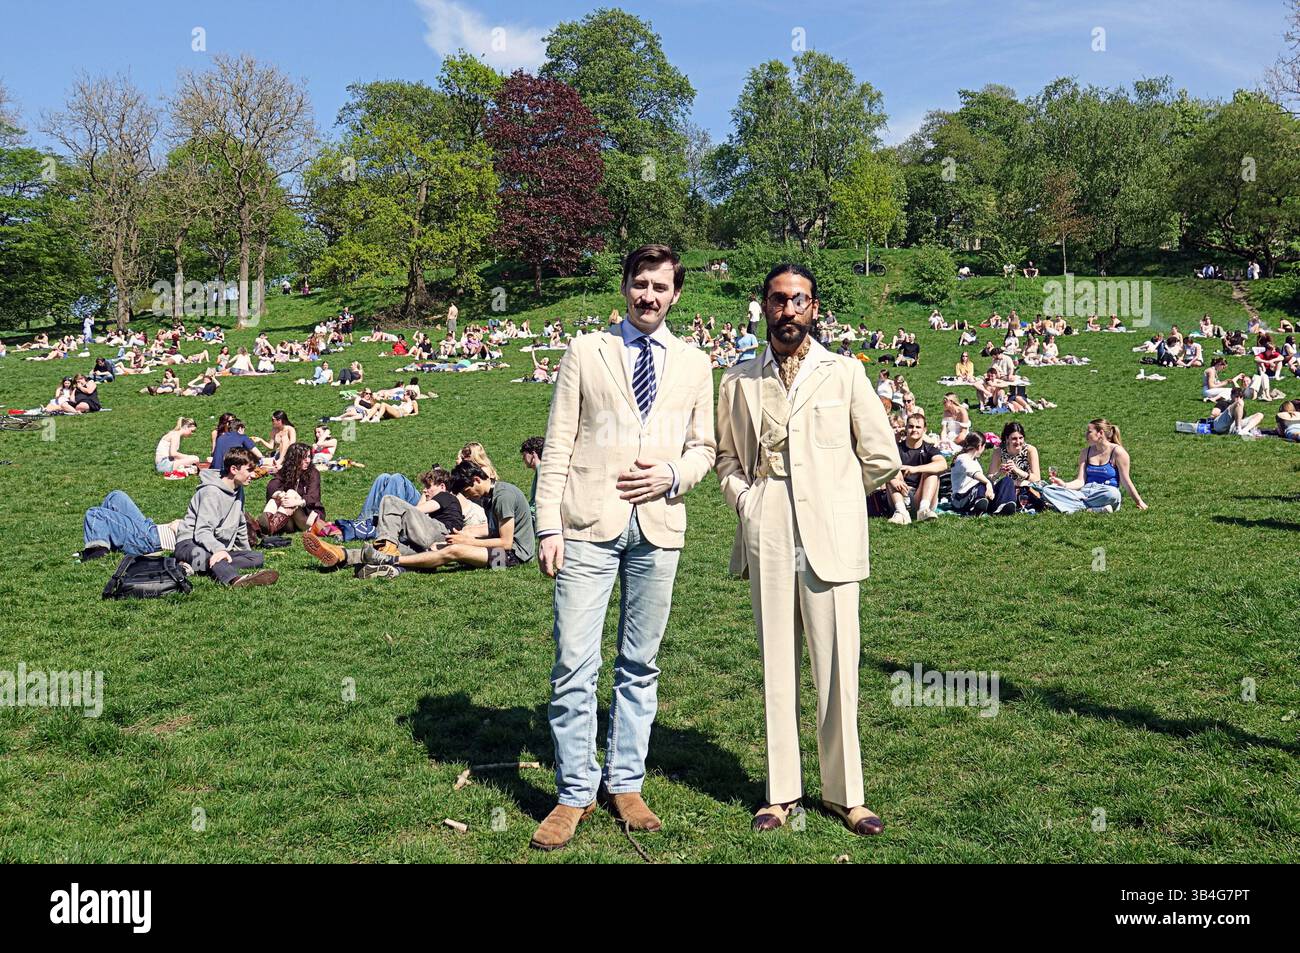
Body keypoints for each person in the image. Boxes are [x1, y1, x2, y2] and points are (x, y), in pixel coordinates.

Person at [528, 244, 717, 851]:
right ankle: (574, 792)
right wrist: (548, 526)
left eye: (660, 287)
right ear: (625, 286)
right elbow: (557, 443)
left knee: (640, 664)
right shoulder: (586, 351)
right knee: (573, 663)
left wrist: (672, 475)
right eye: (640, 283)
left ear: (676, 295)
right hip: (586, 525)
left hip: (658, 529)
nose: (648, 296)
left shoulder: (695, 363)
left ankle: (626, 783)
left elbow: (704, 448)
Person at [715, 261, 900, 836]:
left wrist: (838, 497)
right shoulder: (737, 380)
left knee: (837, 664)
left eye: (799, 300)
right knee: (776, 662)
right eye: (778, 299)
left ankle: (847, 795)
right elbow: (726, 458)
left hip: (830, 532)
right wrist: (747, 501)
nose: (788, 309)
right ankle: (781, 793)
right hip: (766, 522)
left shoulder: (844, 372)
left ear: (814, 308)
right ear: (764, 306)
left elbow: (882, 456)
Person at [358, 460, 533, 576]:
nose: (467, 496)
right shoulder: (491, 496)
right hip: (504, 552)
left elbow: (506, 543)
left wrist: (467, 542)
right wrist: (467, 534)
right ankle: (380, 562)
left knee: (454, 551)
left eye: (467, 491)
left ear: (477, 479)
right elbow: (496, 531)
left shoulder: (503, 497)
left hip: (513, 558)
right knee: (439, 547)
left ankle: (391, 560)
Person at [173, 447, 279, 587]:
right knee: (206, 556)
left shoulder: (238, 489)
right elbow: (202, 532)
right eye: (249, 470)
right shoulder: (211, 492)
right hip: (190, 543)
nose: (253, 475)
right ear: (234, 469)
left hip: (213, 545)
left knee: (256, 558)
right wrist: (219, 550)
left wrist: (244, 551)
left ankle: (198, 566)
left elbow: (240, 524)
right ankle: (235, 580)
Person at [1041, 419, 1147, 513]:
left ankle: (1071, 506)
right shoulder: (1085, 452)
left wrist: (1139, 502)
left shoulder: (1117, 452)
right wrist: (1064, 485)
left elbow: (1125, 481)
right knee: (1047, 490)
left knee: (1114, 494)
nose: (1086, 435)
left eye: (1089, 432)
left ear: (1100, 433)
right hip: (1085, 493)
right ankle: (1094, 510)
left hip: (1105, 493)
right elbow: (1080, 481)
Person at [259, 442, 336, 536]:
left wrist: (297, 502)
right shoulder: (286, 471)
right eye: (304, 457)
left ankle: (266, 527)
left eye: (309, 457)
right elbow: (272, 485)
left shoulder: (313, 473)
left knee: (291, 493)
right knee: (275, 499)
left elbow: (314, 497)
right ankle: (267, 524)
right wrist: (280, 495)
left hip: (308, 517)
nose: (308, 460)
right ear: (294, 458)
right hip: (290, 520)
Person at [886, 413, 947, 523]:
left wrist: (915, 469)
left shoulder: (929, 449)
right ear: (906, 428)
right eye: (911, 426)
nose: (914, 430)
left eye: (918, 427)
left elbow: (943, 464)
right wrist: (892, 480)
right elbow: (883, 468)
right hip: (900, 494)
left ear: (924, 430)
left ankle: (924, 510)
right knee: (893, 471)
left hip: (921, 495)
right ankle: (901, 513)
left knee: (931, 472)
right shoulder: (897, 448)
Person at [987, 421, 1041, 514]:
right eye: (1014, 439)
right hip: (1007, 487)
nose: (1018, 442)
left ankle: (1005, 505)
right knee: (1006, 482)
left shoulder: (1030, 450)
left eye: (1021, 438)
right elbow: (989, 478)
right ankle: (1005, 506)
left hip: (1025, 487)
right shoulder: (999, 451)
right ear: (1007, 438)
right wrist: (999, 473)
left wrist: (1017, 470)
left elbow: (1037, 478)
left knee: (1023, 491)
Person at [949, 432, 995, 515]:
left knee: (1005, 481)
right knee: (984, 483)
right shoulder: (962, 458)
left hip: (971, 494)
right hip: (960, 499)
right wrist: (988, 483)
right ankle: (978, 505)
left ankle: (1003, 505)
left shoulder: (974, 460)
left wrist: (999, 473)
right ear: (980, 446)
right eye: (984, 446)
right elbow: (974, 474)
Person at [520, 436, 544, 510]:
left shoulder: (544, 471)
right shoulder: (540, 470)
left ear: (533, 454)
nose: (523, 458)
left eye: (524, 455)